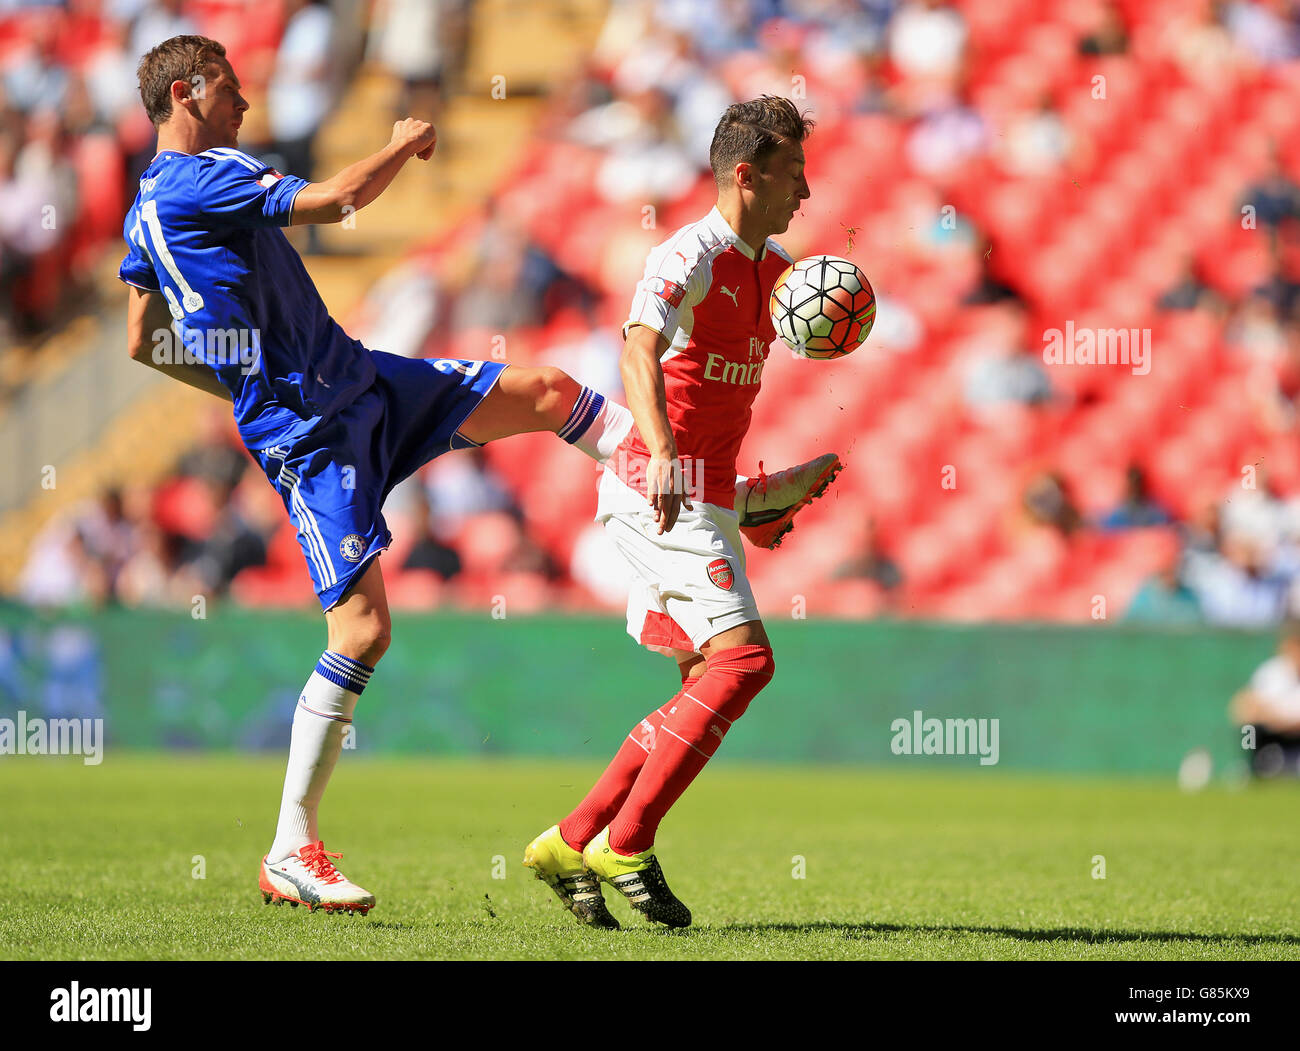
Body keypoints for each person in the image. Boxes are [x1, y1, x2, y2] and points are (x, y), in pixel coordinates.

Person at [119, 36, 641, 915]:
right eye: (233, 91)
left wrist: (236, 373)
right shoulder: (203, 176)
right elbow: (338, 197)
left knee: (548, 390)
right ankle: (291, 846)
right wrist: (403, 140)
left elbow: (141, 339)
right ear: (187, 90)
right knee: (359, 634)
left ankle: (667, 482)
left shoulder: (145, 212)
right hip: (315, 430)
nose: (246, 106)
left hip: (360, 382)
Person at [523, 96, 842, 930]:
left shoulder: (776, 276)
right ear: (748, 174)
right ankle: (626, 844)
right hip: (652, 485)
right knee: (745, 664)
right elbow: (637, 347)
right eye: (794, 173)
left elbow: (721, 414)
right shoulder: (686, 253)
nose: (805, 192)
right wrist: (662, 450)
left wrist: (761, 501)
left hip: (702, 495)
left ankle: (573, 837)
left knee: (706, 681)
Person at [1230, 620, 1300, 777]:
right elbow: (1244, 707)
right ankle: (1249, 768)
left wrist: (1282, 722)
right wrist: (1276, 720)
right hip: (1271, 736)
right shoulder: (1271, 672)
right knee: (1249, 729)